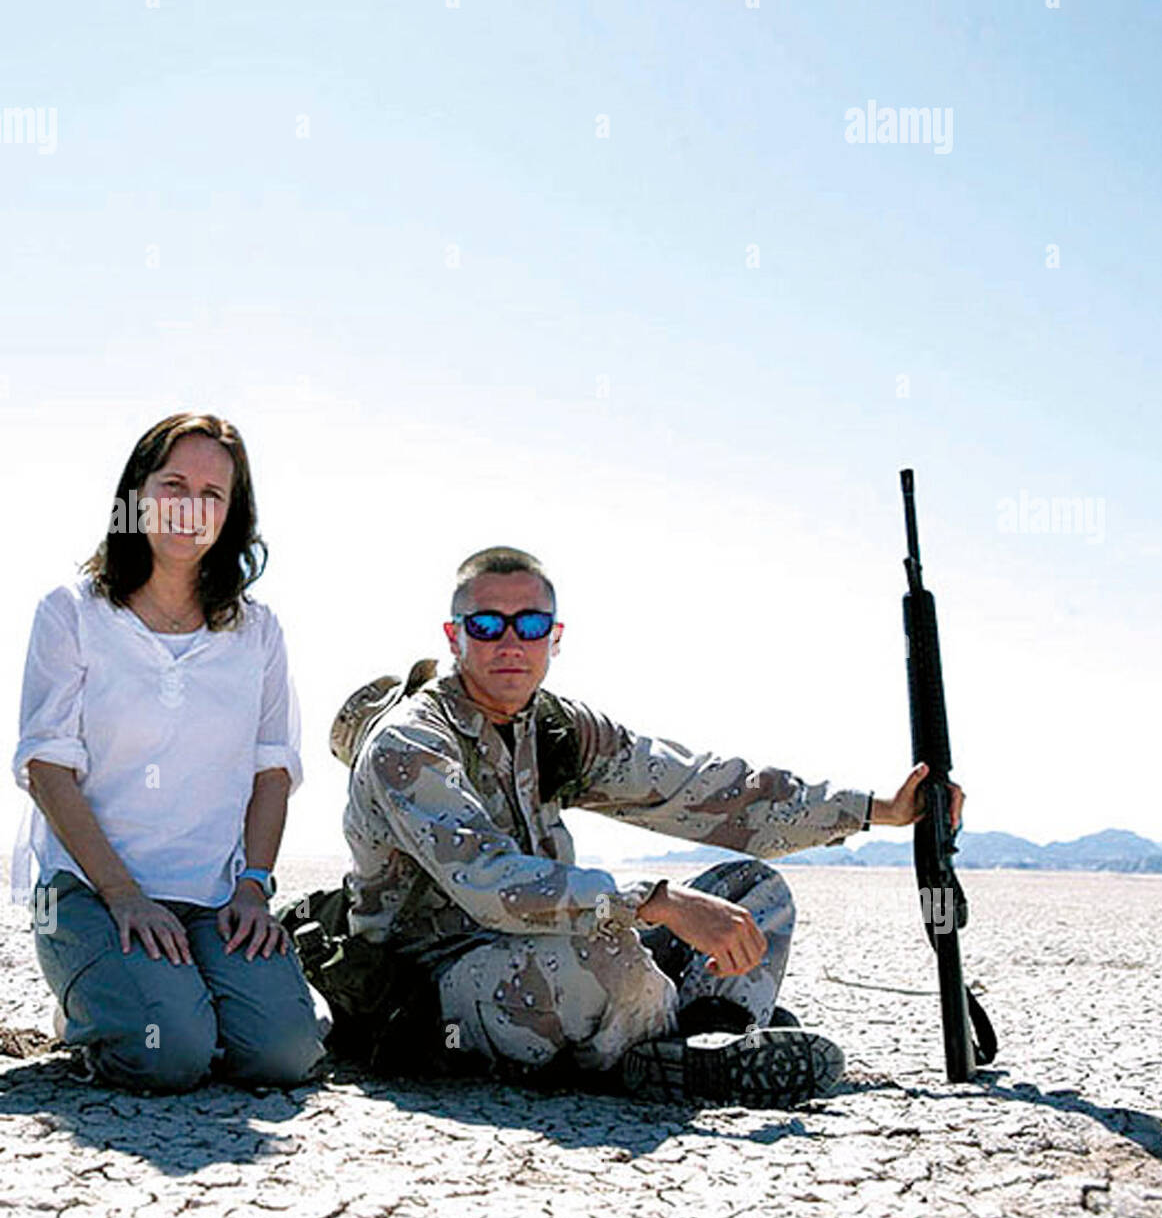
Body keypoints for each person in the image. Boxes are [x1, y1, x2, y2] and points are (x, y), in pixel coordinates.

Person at [308, 545, 963, 1108]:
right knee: (610, 957)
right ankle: (695, 1036)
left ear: (554, 637)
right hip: (443, 985)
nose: (509, 642)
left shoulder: (554, 729)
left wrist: (874, 808)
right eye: (485, 625)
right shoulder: (408, 744)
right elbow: (491, 886)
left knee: (752, 890)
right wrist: (656, 902)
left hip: (552, 942)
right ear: (454, 638)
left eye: (530, 624)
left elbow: (697, 787)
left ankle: (697, 1037)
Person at [12, 412, 328, 1093]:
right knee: (169, 1057)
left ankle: (180, 994)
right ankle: (102, 1005)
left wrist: (253, 887)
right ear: (136, 494)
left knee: (284, 1056)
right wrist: (124, 896)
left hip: (214, 896)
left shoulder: (258, 631)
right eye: (174, 485)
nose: (190, 508)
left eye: (212, 494)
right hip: (92, 891)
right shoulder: (72, 613)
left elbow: (272, 770)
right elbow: (47, 768)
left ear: (232, 514)